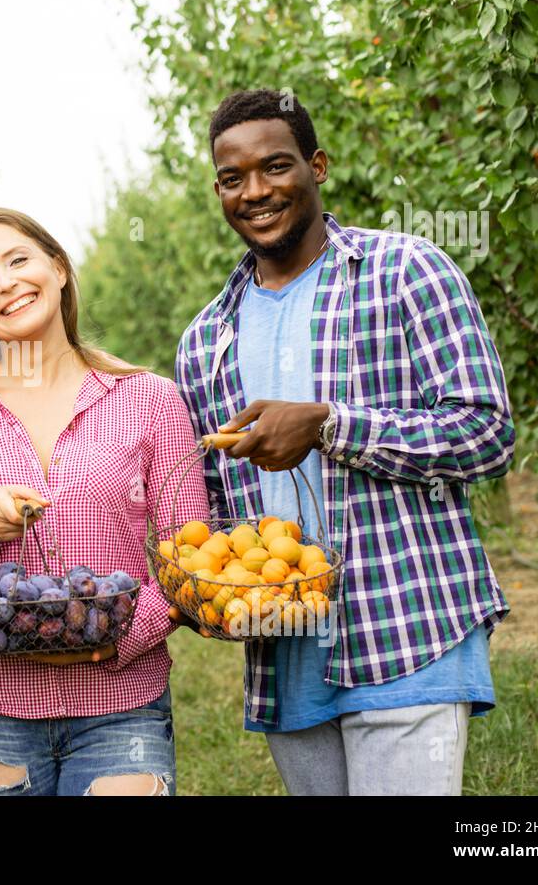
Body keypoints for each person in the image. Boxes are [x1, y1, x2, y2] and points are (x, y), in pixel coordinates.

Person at [173, 88, 513, 795]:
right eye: (234, 179)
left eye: (276, 167)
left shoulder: (407, 273)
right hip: (287, 648)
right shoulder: (207, 339)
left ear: (317, 166)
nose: (256, 192)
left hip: (408, 623)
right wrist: (199, 592)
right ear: (218, 190)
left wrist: (330, 426)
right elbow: (215, 506)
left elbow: (486, 434)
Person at [0, 207, 209, 796]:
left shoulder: (151, 400)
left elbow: (188, 559)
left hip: (122, 702)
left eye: (18, 260)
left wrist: (109, 647)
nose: (6, 283)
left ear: (58, 268)